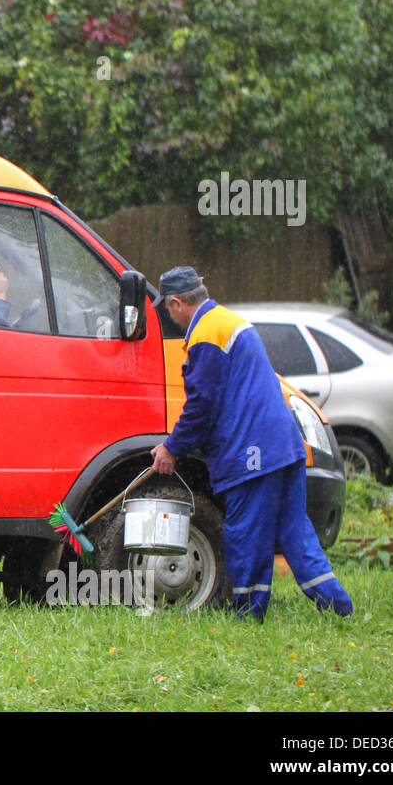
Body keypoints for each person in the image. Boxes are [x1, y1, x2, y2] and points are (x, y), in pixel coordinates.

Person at [149, 266, 352, 621]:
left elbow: (201, 404)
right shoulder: (226, 321)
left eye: (167, 309)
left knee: (245, 532)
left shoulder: (207, 335)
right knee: (294, 531)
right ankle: (338, 606)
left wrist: (172, 447)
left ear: (178, 302)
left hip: (253, 452)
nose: (169, 316)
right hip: (283, 445)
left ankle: (248, 612)